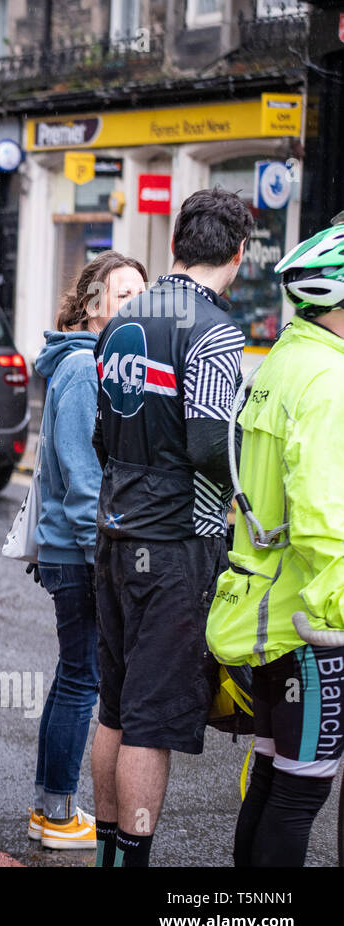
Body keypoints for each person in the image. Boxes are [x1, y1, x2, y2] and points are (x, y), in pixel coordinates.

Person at [90, 187, 252, 867]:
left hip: (115, 532)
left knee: (115, 709)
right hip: (177, 543)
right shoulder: (213, 332)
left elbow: (105, 433)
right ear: (240, 255)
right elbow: (212, 447)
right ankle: (132, 859)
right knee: (150, 726)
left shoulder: (123, 320)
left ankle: (106, 856)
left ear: (178, 244)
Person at [206, 220, 344, 867]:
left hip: (265, 612)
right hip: (311, 623)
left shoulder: (284, 362)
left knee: (273, 778)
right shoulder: (329, 383)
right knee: (298, 795)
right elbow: (324, 519)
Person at [26, 251, 147, 850]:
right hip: (81, 554)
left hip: (78, 550)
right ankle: (55, 812)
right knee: (83, 679)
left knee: (75, 675)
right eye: (124, 296)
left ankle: (51, 804)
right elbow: (80, 479)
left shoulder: (104, 362)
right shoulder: (82, 367)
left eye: (141, 295)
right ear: (94, 304)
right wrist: (103, 558)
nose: (135, 306)